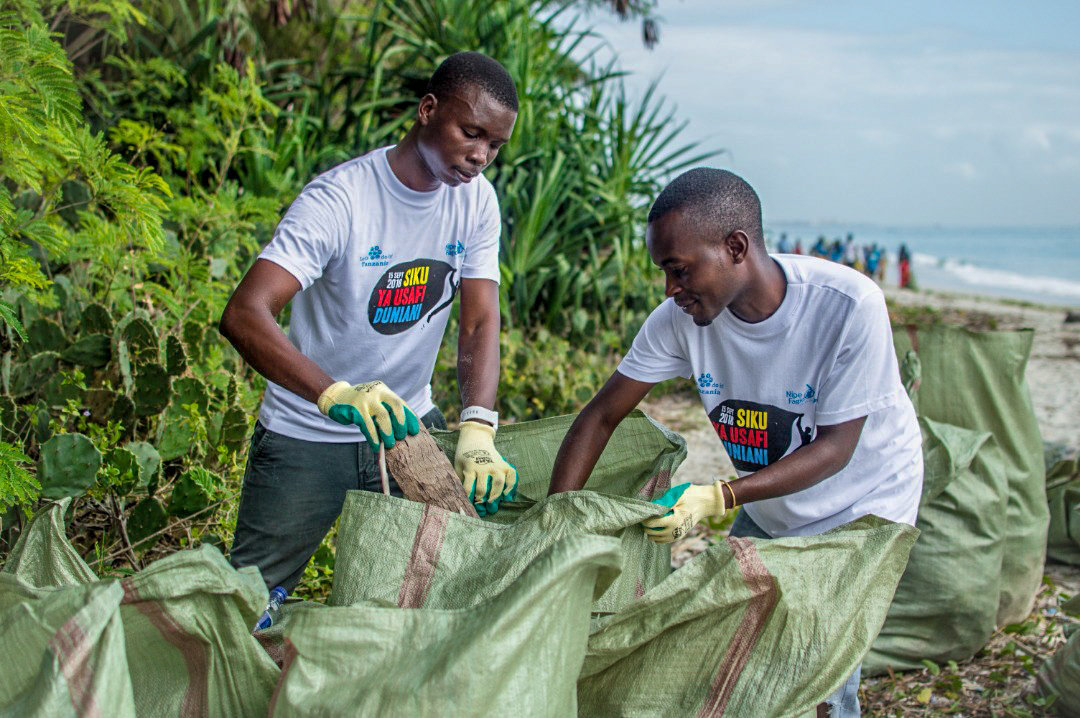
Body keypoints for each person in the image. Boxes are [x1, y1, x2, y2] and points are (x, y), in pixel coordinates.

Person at [546, 168, 923, 717]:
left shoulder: (845, 307)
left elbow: (836, 448)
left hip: (862, 506)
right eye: (663, 273)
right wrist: (556, 520)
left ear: (736, 247)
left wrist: (717, 498)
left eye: (678, 270)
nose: (670, 289)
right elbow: (601, 417)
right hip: (769, 501)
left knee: (814, 670)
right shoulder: (680, 320)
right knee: (732, 644)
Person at [219, 52, 520, 593]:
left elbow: (479, 322)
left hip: (406, 426)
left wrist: (477, 426)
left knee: (438, 586)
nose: (480, 157)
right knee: (248, 600)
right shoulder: (341, 200)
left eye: (495, 145)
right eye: (471, 133)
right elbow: (245, 313)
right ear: (428, 109)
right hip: (307, 429)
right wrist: (335, 394)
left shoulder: (476, 203)